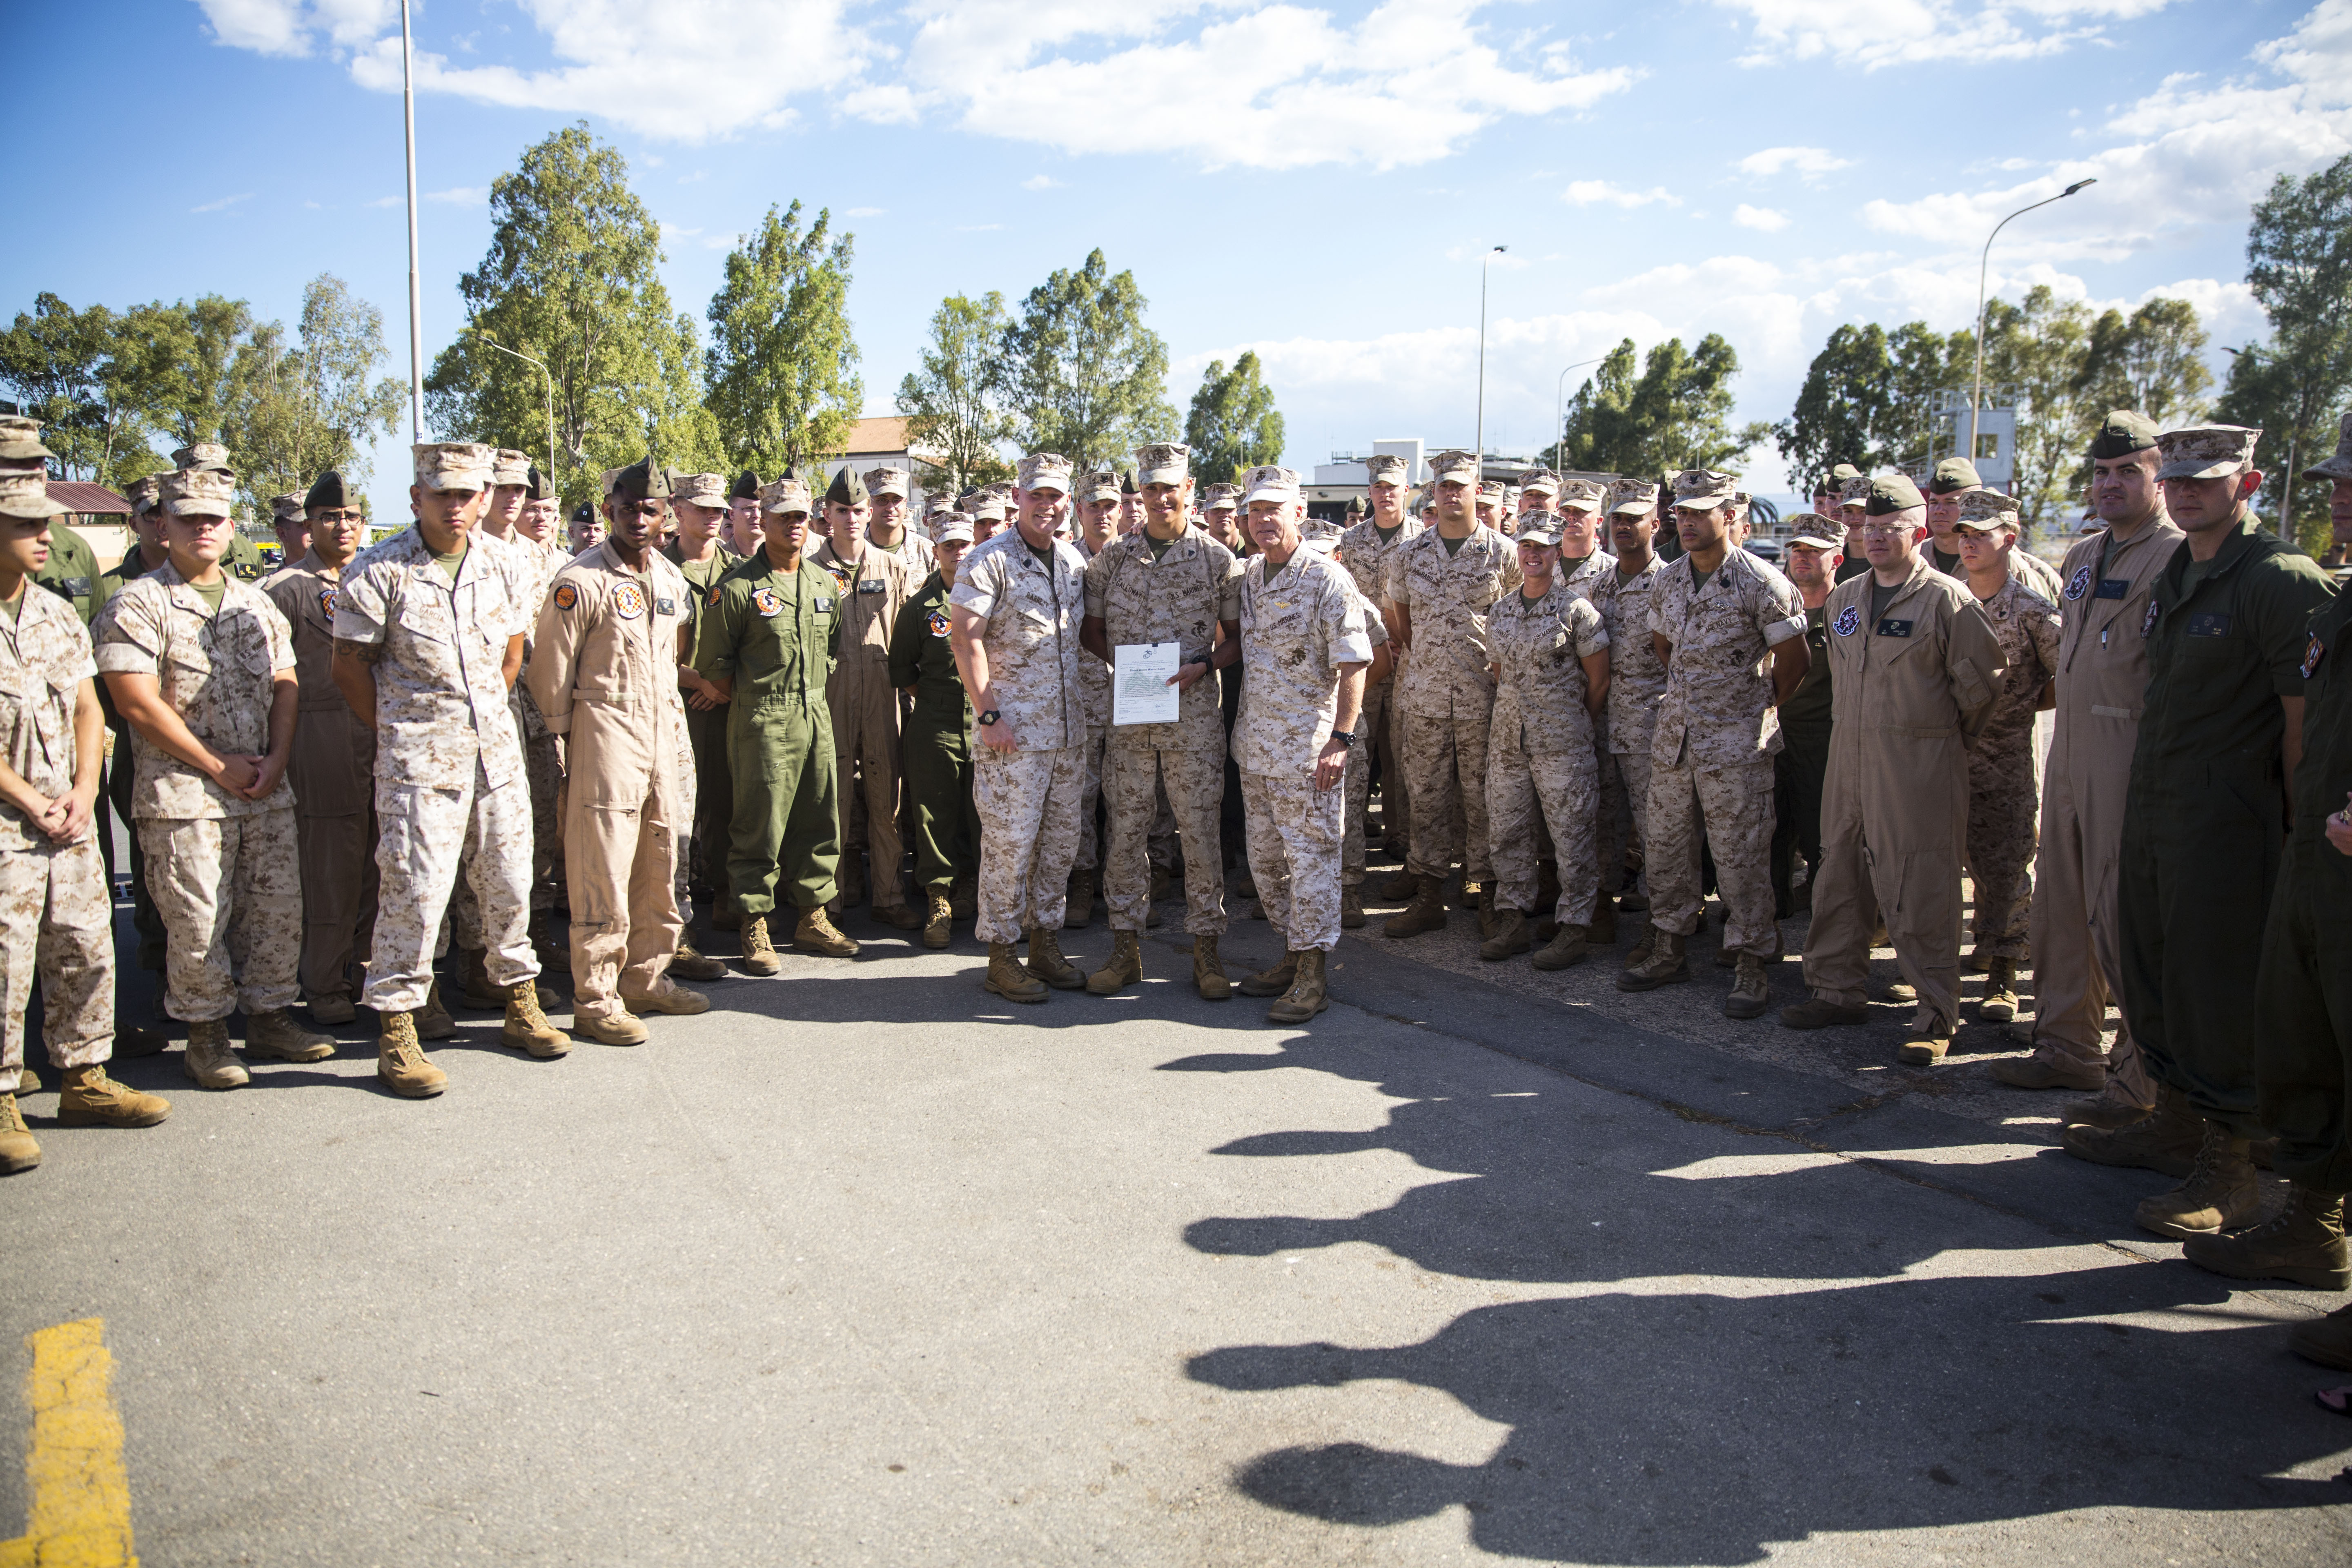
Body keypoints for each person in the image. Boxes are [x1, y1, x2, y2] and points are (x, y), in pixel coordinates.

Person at [2099, 425, 2335, 1241]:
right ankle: (2175, 1124)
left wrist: (2300, 842)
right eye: (2181, 478)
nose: (2188, 491)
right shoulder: (2178, 568)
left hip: (2230, 829)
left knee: (2219, 991)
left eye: (2210, 478)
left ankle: (2231, 1168)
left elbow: (2306, 727)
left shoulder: (2279, 579)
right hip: (2162, 809)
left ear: (2252, 482)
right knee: (2156, 970)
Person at [2187, 412, 2352, 1354]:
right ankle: (2312, 1225)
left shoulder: (2289, 583)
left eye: (2349, 483)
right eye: (2334, 479)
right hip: (2318, 862)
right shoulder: (2334, 596)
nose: (2336, 494)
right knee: (2309, 1042)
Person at [333, 443, 569, 1097]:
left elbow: (515, 647)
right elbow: (348, 667)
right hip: (417, 762)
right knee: (415, 891)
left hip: (495, 754)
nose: (455, 506)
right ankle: (399, 1030)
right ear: (417, 499)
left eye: (467, 494)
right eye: (442, 494)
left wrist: (485, 713)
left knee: (509, 880)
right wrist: (400, 733)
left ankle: (519, 1003)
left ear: (485, 499)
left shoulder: (506, 563)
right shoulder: (379, 570)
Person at [96, 462, 332, 1088]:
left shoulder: (256, 604)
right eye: (188, 518)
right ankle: (205, 1037)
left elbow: (287, 682)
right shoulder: (137, 602)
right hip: (185, 795)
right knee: (198, 919)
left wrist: (277, 758)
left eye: (213, 518)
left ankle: (271, 1017)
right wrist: (215, 765)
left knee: (276, 911)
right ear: (163, 525)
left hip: (262, 785)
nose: (202, 528)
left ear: (231, 527)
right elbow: (135, 703)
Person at [1995, 413, 2185, 1117]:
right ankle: (2066, 1049)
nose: (2111, 484)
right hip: (2072, 751)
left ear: (2159, 478)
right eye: (2102, 473)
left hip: (2129, 754)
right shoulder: (2083, 556)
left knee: (2122, 918)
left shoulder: (2177, 557)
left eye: (2128, 471)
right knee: (2062, 906)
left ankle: (2141, 1086)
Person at [1780, 475, 2005, 1059]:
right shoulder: (1846, 598)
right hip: (1847, 761)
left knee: (1921, 886)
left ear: (1922, 531)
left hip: (1918, 767)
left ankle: (1935, 1013)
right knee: (1837, 876)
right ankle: (1835, 989)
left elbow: (1981, 691)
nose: (1876, 538)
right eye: (1870, 529)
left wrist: (1930, 744)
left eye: (1891, 529)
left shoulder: (1947, 600)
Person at [0, 465, 171, 1173]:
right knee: (6, 961)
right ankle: (4, 1097)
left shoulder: (50, 611)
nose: (48, 536)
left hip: (65, 811)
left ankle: (84, 1078)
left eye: (47, 523)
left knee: (84, 945)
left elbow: (86, 707)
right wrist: (27, 797)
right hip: (12, 816)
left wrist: (79, 786)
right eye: (28, 526)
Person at [530, 459, 709, 1045]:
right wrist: (568, 736)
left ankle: (646, 979)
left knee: (661, 858)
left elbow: (675, 651)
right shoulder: (578, 581)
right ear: (610, 509)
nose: (639, 517)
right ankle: (596, 999)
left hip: (663, 729)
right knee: (602, 866)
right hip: (604, 730)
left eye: (650, 508)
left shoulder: (668, 577)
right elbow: (551, 670)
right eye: (628, 507)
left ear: (666, 516)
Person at [1621, 469, 1810, 1020]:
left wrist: (1751, 704)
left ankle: (1751, 957)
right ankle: (1669, 945)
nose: (1689, 521)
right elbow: (1662, 645)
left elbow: (1797, 662)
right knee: (1668, 848)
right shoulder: (1671, 579)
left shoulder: (1762, 583)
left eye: (1701, 512)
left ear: (1730, 515)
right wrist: (1695, 693)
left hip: (1737, 745)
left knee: (1741, 855)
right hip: (1676, 738)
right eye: (1682, 511)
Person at [1078, 442, 1241, 1001]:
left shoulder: (1219, 561)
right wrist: (1126, 670)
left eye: (1170, 487)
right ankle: (1125, 949)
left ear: (1189, 490)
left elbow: (1237, 639)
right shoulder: (1113, 560)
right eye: (1151, 489)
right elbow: (1090, 630)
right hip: (1131, 719)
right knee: (1125, 831)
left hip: (1193, 719)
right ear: (1139, 495)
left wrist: (1204, 665)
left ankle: (1207, 951)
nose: (1161, 497)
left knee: (1198, 832)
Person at [691, 475, 855, 974]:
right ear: (765, 518)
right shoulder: (737, 588)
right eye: (782, 515)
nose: (793, 524)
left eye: (800, 516)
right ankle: (754, 922)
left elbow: (832, 651)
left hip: (815, 715)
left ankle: (812, 916)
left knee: (819, 818)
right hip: (762, 719)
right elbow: (715, 671)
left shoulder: (826, 583)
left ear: (812, 521)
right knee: (758, 824)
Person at [947, 452, 1092, 1003]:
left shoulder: (1072, 562)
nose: (1048, 506)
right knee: (1010, 847)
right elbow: (966, 639)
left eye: (1056, 496)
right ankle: (1002, 955)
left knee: (1059, 845)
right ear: (1018, 495)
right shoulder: (989, 561)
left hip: (1066, 733)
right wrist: (988, 715)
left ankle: (1044, 943)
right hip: (1012, 737)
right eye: (1038, 495)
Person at [1230, 466, 1372, 1023]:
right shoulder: (1249, 576)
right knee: (1268, 864)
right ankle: (1290, 953)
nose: (1265, 520)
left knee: (1312, 860)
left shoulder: (1327, 579)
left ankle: (1314, 971)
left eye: (1276, 509)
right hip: (1257, 748)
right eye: (1256, 511)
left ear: (1299, 511)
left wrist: (1341, 738)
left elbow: (1356, 661)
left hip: (1308, 751)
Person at [1384, 449, 1519, 938]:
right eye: (1444, 486)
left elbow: (1515, 620)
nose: (1452, 493)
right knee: (1426, 799)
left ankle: (1485, 891)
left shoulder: (1502, 553)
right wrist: (1428, 659)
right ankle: (1428, 897)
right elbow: (1399, 620)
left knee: (1484, 800)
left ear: (1476, 488)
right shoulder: (1410, 554)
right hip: (1424, 699)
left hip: (1483, 698)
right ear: (1433, 491)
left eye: (1461, 485)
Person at [260, 470, 378, 1026]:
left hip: (377, 732)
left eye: (352, 517)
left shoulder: (374, 578)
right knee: (332, 866)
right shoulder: (285, 591)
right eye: (331, 517)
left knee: (377, 863)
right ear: (308, 525)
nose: (343, 525)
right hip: (320, 736)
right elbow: (266, 680)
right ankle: (325, 983)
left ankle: (364, 972)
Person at [1481, 515, 1612, 968]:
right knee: (1507, 833)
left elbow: (1598, 681)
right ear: (1518, 552)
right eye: (1527, 547)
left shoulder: (1577, 611)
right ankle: (1513, 919)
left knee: (1572, 837)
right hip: (1508, 745)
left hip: (1564, 746)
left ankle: (1575, 926)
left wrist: (1571, 723)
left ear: (1558, 553)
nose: (1534, 555)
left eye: (1543, 547)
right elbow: (1499, 674)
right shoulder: (1500, 611)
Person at [1951, 491, 2061, 1024]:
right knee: (1954, 861)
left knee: (2010, 864)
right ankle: (1967, 951)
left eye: (1981, 535)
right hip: (1950, 754)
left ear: (2009, 540)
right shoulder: (1946, 599)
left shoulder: (2034, 609)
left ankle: (2005, 972)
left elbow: (2070, 673)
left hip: (2009, 755)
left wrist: (2018, 706)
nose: (1969, 544)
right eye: (1963, 535)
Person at [808, 467, 922, 928]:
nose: (852, 519)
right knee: (831, 799)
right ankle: (828, 903)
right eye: (843, 511)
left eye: (859, 510)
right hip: (832, 692)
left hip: (882, 690)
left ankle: (889, 896)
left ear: (869, 511)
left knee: (886, 796)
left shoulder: (891, 566)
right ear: (827, 515)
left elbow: (908, 635)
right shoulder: (811, 570)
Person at [889, 513, 981, 949]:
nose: (959, 554)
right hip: (935, 721)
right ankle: (939, 900)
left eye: (966, 545)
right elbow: (903, 668)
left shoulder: (990, 598)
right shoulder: (919, 609)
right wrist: (938, 700)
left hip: (983, 720)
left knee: (980, 814)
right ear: (936, 550)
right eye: (950, 547)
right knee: (934, 815)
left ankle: (973, 887)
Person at [666, 471, 744, 942]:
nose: (714, 518)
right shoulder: (657, 568)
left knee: (724, 801)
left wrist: (722, 688)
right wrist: (698, 681)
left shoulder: (738, 570)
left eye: (719, 510)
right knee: (674, 812)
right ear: (678, 511)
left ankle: (725, 895)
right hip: (675, 704)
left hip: (726, 702)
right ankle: (672, 914)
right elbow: (650, 648)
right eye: (703, 509)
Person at [1336, 454, 1420, 892]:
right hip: (1364, 662)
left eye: (1393, 487)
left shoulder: (1421, 539)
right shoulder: (1351, 542)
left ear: (1407, 491)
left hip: (1409, 664)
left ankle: (1400, 836)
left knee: (1402, 756)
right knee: (1357, 752)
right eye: (1379, 487)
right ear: (1369, 492)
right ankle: (1353, 839)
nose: (1386, 494)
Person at [1591, 478, 1668, 936]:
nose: (1623, 527)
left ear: (1655, 525)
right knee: (1604, 822)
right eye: (1617, 518)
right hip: (1605, 724)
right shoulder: (1601, 586)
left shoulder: (1670, 583)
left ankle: (1666, 926)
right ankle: (1600, 909)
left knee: (1659, 830)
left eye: (1633, 519)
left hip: (1651, 726)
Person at [1768, 517, 1840, 923]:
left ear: (1837, 558)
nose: (1803, 558)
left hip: (1822, 736)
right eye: (1798, 550)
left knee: (1821, 829)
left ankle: (1828, 907)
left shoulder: (1847, 612)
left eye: (1814, 551)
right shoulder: (1775, 606)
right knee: (1771, 825)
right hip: (1775, 729)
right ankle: (1774, 903)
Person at [1062, 472, 1121, 925]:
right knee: (1080, 797)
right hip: (1081, 699)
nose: (1102, 515)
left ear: (1120, 510)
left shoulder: (1136, 562)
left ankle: (1123, 884)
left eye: (1109, 505)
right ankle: (1081, 880)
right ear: (1077, 510)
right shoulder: (1065, 563)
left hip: (1130, 701)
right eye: (1092, 506)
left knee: (1127, 796)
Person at [168, 447, 270, 582]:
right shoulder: (159, 549)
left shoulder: (248, 551)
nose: (216, 486)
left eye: (223, 479)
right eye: (206, 479)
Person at [863, 465, 935, 572]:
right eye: (882, 500)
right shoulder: (855, 551)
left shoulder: (928, 552)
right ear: (868, 504)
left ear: (905, 503)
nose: (891, 508)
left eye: (897, 500)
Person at [724, 471, 764, 560]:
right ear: (732, 513)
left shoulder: (784, 558)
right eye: (749, 509)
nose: (757, 515)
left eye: (761, 509)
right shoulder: (719, 560)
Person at [270, 492, 311, 564]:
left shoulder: (334, 574)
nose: (315, 531)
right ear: (282, 534)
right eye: (306, 526)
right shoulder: (278, 575)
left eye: (317, 524)